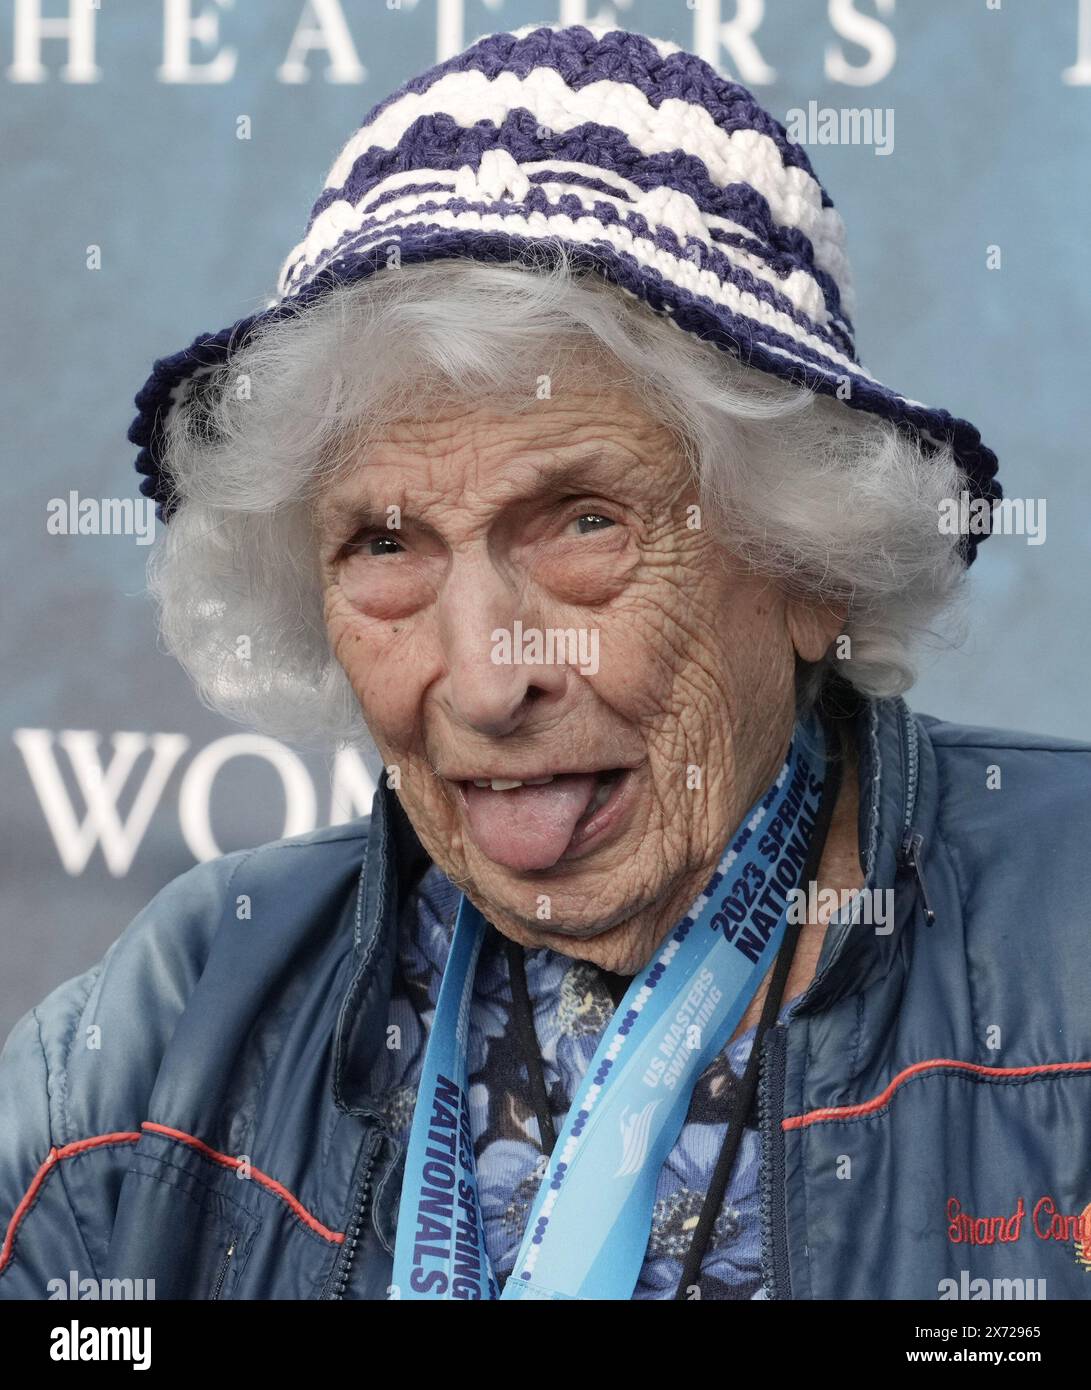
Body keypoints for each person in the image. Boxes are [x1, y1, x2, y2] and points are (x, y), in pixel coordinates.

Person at [2, 22, 1088, 1303]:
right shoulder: (160, 1040)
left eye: (584, 524)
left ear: (809, 570)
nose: (479, 679)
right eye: (386, 542)